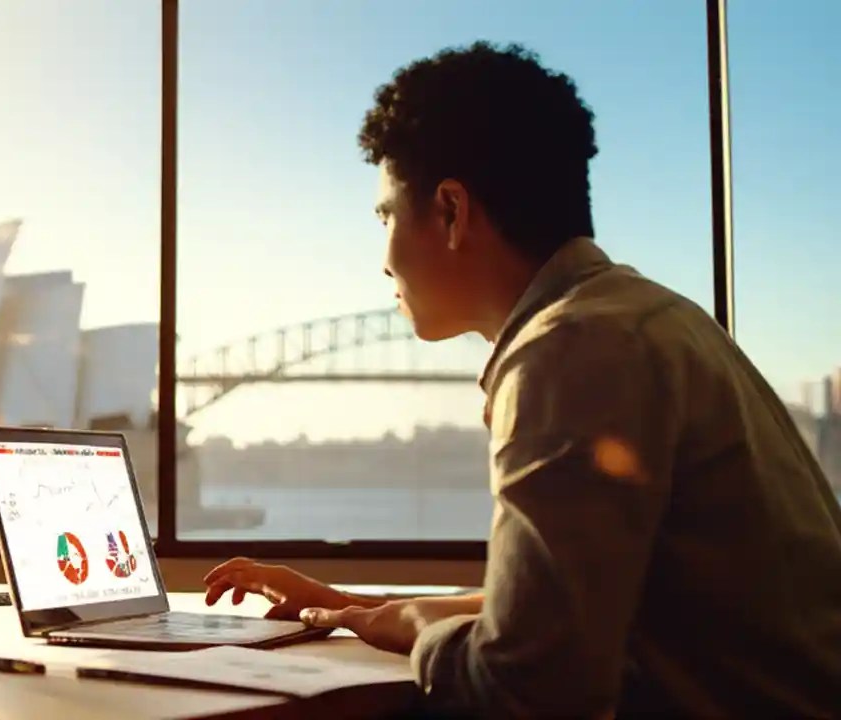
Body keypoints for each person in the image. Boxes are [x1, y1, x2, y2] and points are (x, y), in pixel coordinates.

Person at [203, 41, 841, 717]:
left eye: (386, 216)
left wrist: (419, 630)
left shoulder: (570, 351)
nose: (382, 259)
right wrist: (354, 608)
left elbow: (525, 692)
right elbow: (576, 603)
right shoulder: (644, 318)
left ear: (451, 212)